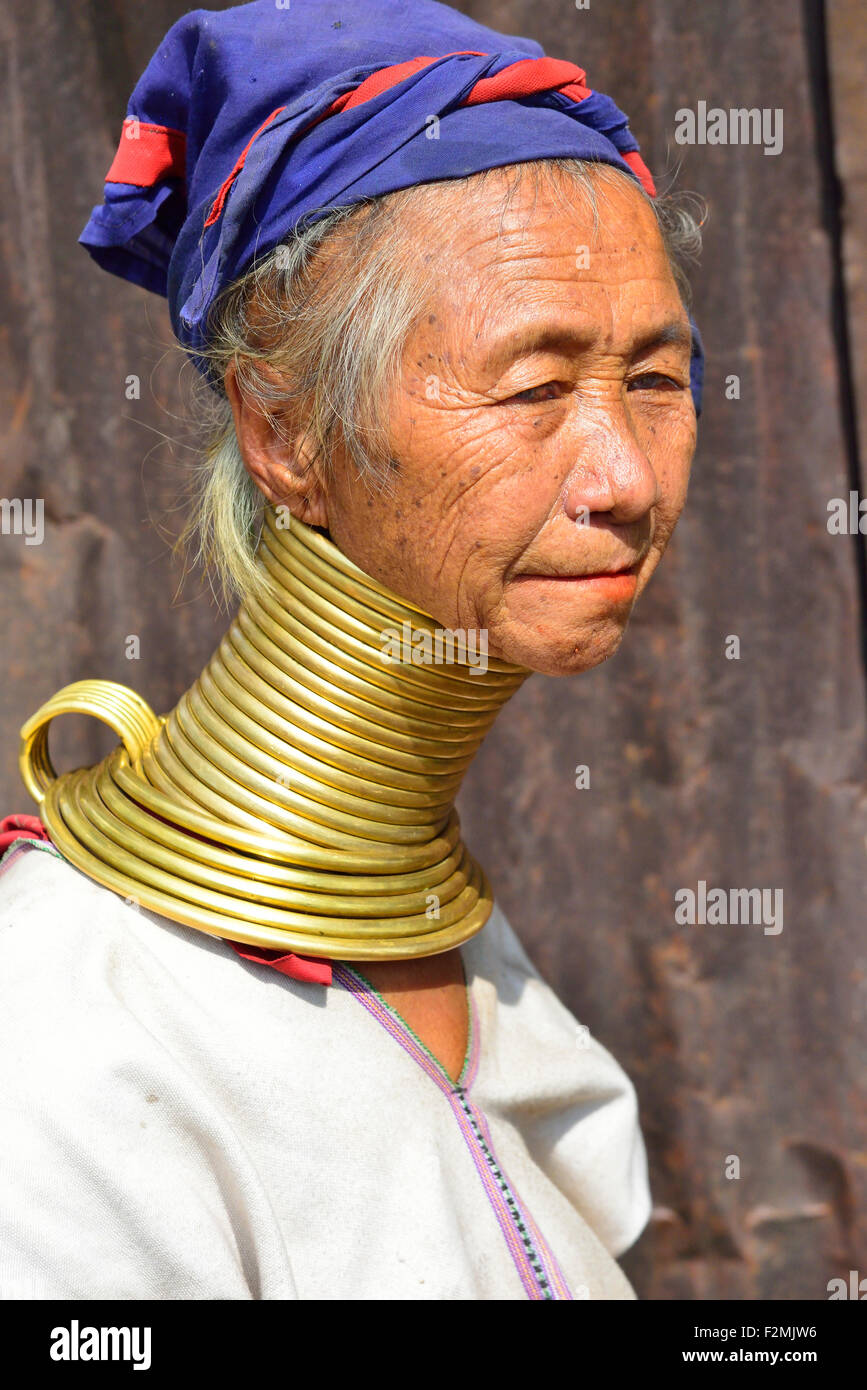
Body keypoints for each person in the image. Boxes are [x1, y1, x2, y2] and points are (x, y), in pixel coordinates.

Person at [0, 0, 704, 1300]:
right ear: (285, 432)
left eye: (657, 381)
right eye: (536, 385)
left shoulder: (473, 963)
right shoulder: (72, 1027)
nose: (622, 476)